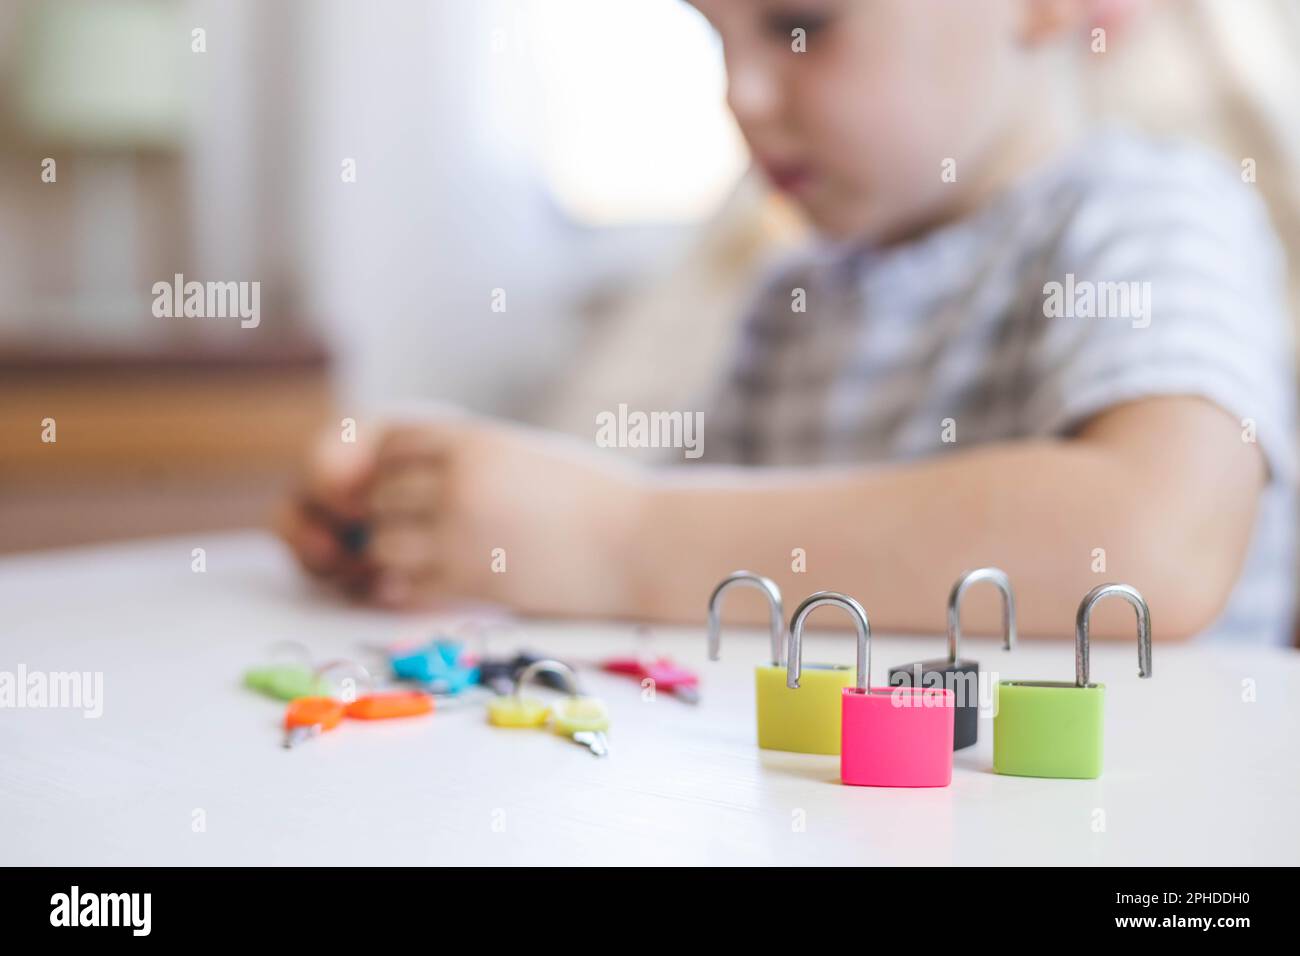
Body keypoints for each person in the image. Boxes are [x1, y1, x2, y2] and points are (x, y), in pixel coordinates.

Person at [280, 0, 1295, 643]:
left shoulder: (1153, 209)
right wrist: (441, 521)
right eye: (711, 35)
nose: (743, 94)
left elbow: (1155, 545)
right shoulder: (790, 302)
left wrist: (614, 535)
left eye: (800, 25)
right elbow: (699, 565)